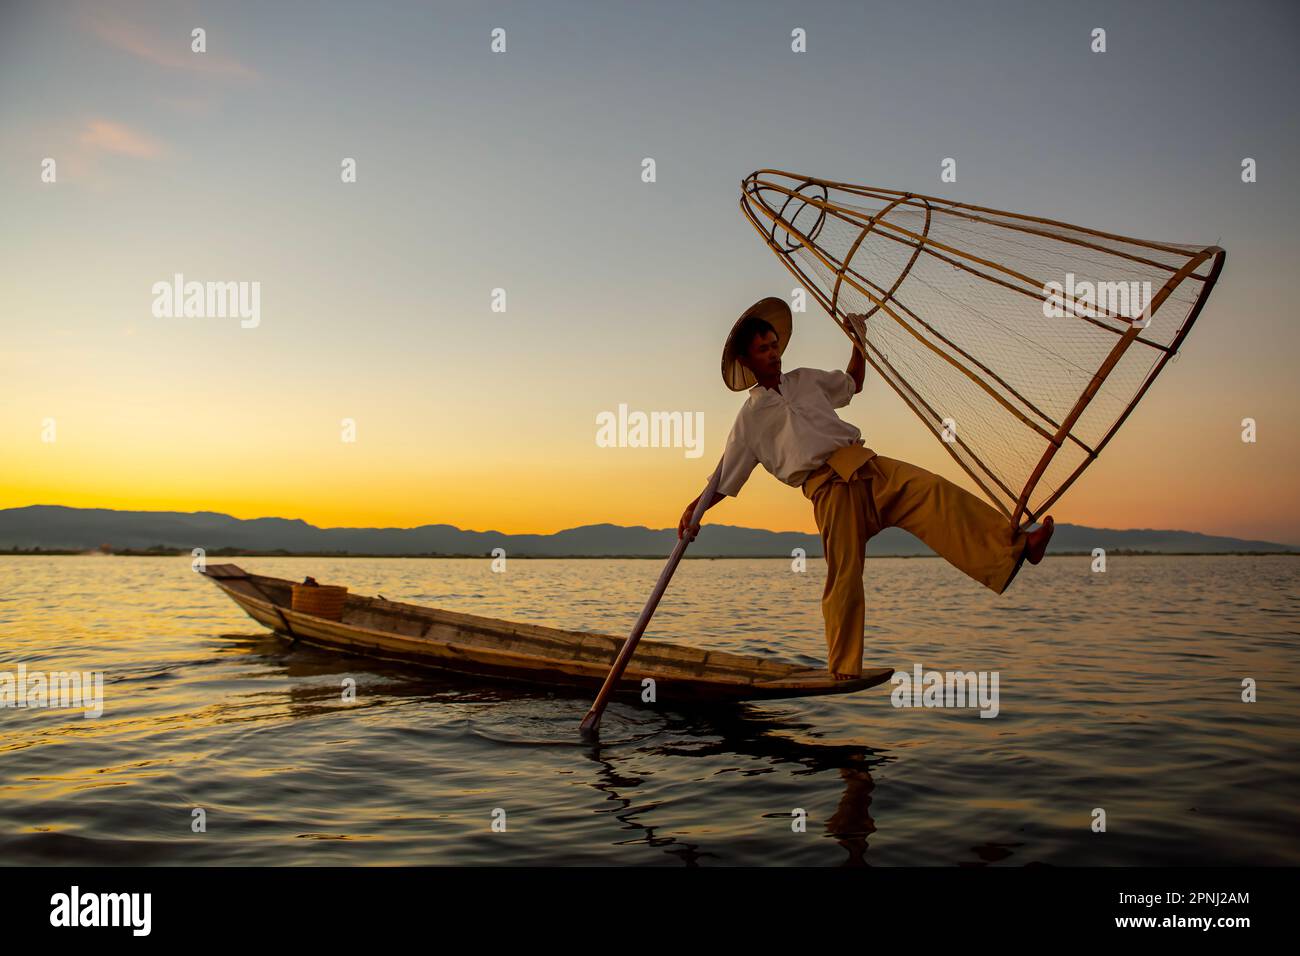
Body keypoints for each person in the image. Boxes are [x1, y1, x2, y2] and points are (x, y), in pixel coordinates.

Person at [677, 297, 1054, 680]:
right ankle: (842, 668)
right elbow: (725, 477)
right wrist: (695, 510)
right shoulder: (749, 420)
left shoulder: (806, 378)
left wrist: (860, 342)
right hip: (828, 489)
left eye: (774, 345)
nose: (773, 354)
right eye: (763, 349)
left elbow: (852, 383)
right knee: (845, 576)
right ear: (747, 360)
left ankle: (1016, 547)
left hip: (866, 466)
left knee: (934, 491)